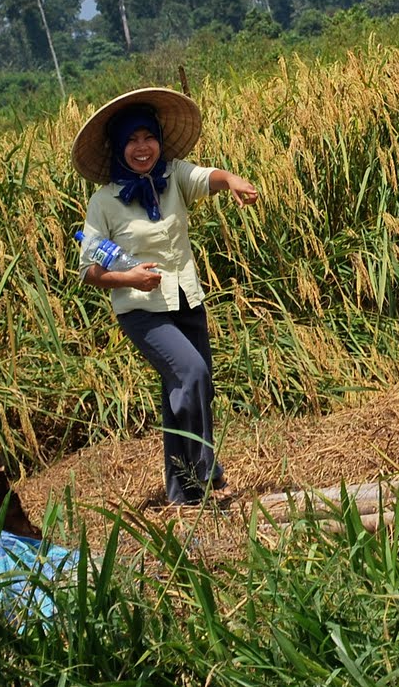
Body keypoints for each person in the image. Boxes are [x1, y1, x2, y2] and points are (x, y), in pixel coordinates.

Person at [71, 86, 259, 506]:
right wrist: (130, 277)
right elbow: (90, 271)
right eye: (132, 140)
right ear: (119, 148)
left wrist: (232, 181)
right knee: (192, 374)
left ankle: (182, 495)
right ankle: (205, 467)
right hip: (143, 311)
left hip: (186, 298)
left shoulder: (172, 177)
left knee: (188, 392)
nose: (142, 148)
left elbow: (206, 177)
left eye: (148, 137)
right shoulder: (103, 202)